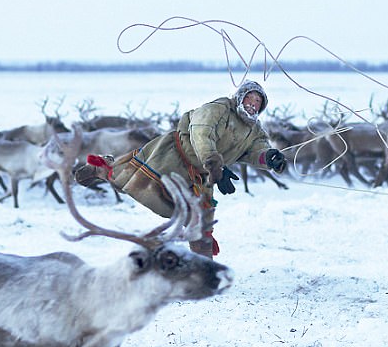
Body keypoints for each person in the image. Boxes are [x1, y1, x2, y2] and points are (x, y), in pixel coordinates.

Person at [74, 80, 287, 257]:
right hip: (174, 156)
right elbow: (201, 135)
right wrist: (215, 164)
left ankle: (203, 266)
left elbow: (256, 150)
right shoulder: (217, 109)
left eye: (258, 102)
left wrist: (269, 158)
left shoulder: (254, 129)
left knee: (201, 218)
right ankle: (102, 169)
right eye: (249, 98)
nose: (252, 104)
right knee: (133, 181)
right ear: (240, 97)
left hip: (202, 175)